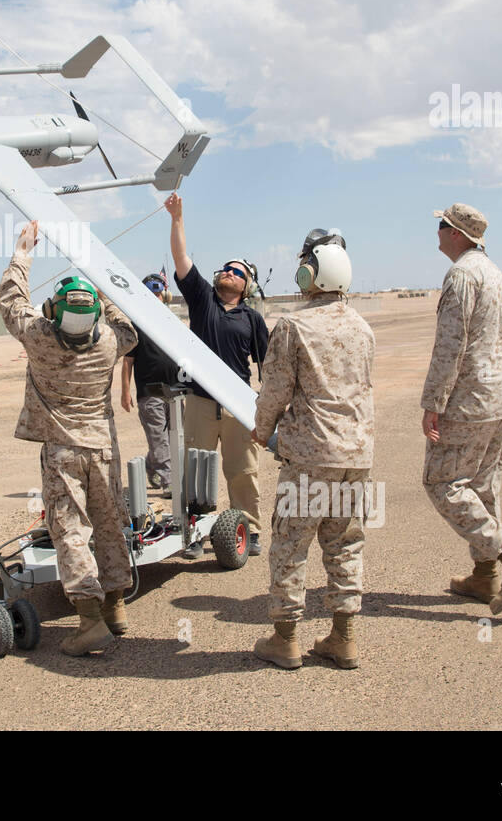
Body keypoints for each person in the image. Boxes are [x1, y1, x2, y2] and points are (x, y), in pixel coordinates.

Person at [0, 221, 137, 656]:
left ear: (53, 311)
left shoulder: (40, 337)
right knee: (111, 523)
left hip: (62, 452)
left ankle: (90, 619)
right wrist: (102, 287)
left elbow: (10, 300)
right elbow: (129, 328)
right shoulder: (111, 342)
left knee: (71, 530)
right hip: (102, 448)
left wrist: (23, 250)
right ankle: (116, 607)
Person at [251, 229, 374, 670]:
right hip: (355, 455)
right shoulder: (362, 327)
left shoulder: (293, 326)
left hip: (309, 455)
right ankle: (343, 637)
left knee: (291, 542)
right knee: (345, 542)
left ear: (310, 273)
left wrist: (260, 429)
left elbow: (275, 391)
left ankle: (284, 639)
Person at [421, 204, 502, 615]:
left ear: (456, 233)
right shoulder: (492, 271)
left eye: (441, 225)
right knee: (483, 487)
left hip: (467, 401)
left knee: (443, 483)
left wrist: (433, 403)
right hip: (498, 396)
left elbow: (450, 347)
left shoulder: (461, 275)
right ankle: (485, 575)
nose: (436, 231)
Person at [164, 192, 269, 555]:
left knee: (242, 473)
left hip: (239, 405)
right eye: (227, 267)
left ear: (247, 286)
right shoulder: (203, 299)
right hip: (200, 402)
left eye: (238, 272)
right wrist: (178, 217)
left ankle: (250, 530)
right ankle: (194, 534)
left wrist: (267, 411)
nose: (229, 272)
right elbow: (180, 259)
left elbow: (266, 366)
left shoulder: (252, 319)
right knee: (197, 471)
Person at [120, 272, 179, 496]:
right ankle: (168, 482)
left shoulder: (172, 323)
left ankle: (151, 464)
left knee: (176, 435)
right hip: (149, 390)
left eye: (158, 291)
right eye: (149, 292)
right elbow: (128, 362)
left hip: (175, 390)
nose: (155, 296)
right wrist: (126, 392)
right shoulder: (137, 324)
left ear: (165, 294)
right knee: (159, 438)